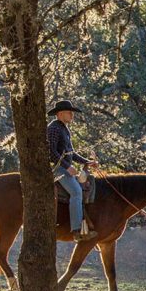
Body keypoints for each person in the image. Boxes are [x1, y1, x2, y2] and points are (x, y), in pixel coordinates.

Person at [47, 99, 97, 242]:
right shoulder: (54, 128)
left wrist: (87, 162)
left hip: (63, 167)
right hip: (57, 169)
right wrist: (67, 166)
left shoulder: (64, 128)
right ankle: (76, 231)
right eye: (70, 113)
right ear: (61, 114)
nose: (72, 116)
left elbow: (71, 153)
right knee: (76, 192)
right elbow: (51, 152)